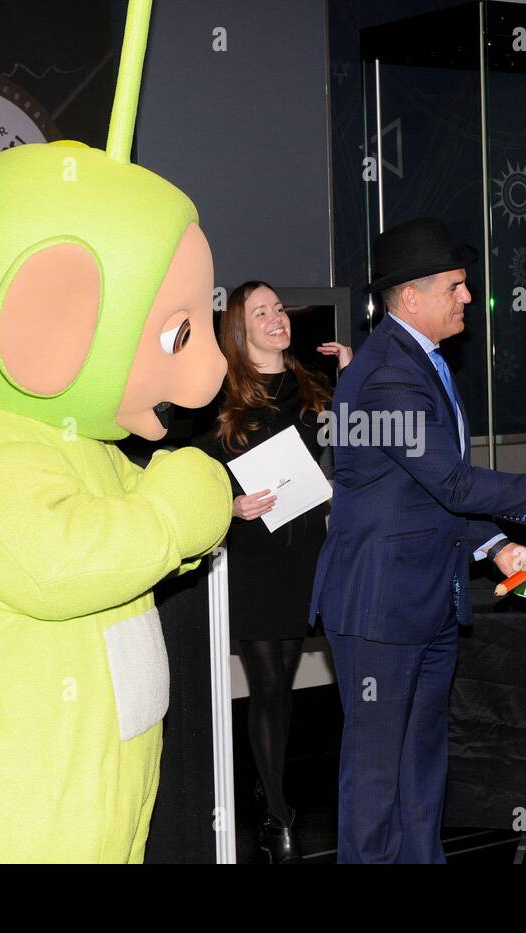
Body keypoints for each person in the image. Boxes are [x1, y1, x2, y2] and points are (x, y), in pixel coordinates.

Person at [310, 217, 526, 863]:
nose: (466, 298)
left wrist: (496, 547)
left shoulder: (417, 362)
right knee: (376, 777)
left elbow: (424, 492)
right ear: (410, 297)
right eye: (455, 286)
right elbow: (451, 482)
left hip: (425, 598)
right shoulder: (384, 376)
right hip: (379, 608)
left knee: (422, 767)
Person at [202, 280, 351, 863]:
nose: (277, 318)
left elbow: (362, 445)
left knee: (283, 683)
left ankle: (269, 787)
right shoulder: (219, 397)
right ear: (240, 330)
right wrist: (230, 507)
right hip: (254, 554)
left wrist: (359, 375)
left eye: (280, 308)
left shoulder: (316, 384)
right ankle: (277, 814)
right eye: (260, 312)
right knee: (267, 687)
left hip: (306, 549)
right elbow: (198, 474)